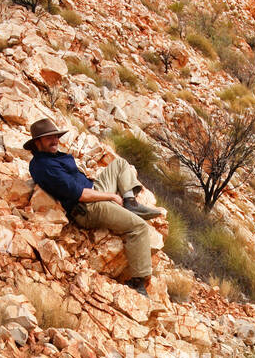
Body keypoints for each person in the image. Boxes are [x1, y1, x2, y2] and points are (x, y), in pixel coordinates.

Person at [24, 117, 163, 296]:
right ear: (37, 142)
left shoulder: (52, 156)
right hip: (87, 208)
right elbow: (80, 195)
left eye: (56, 136)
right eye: (50, 137)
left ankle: (130, 203)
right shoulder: (45, 167)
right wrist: (112, 196)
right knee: (139, 227)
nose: (55, 140)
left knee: (120, 164)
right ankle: (138, 282)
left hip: (93, 191)